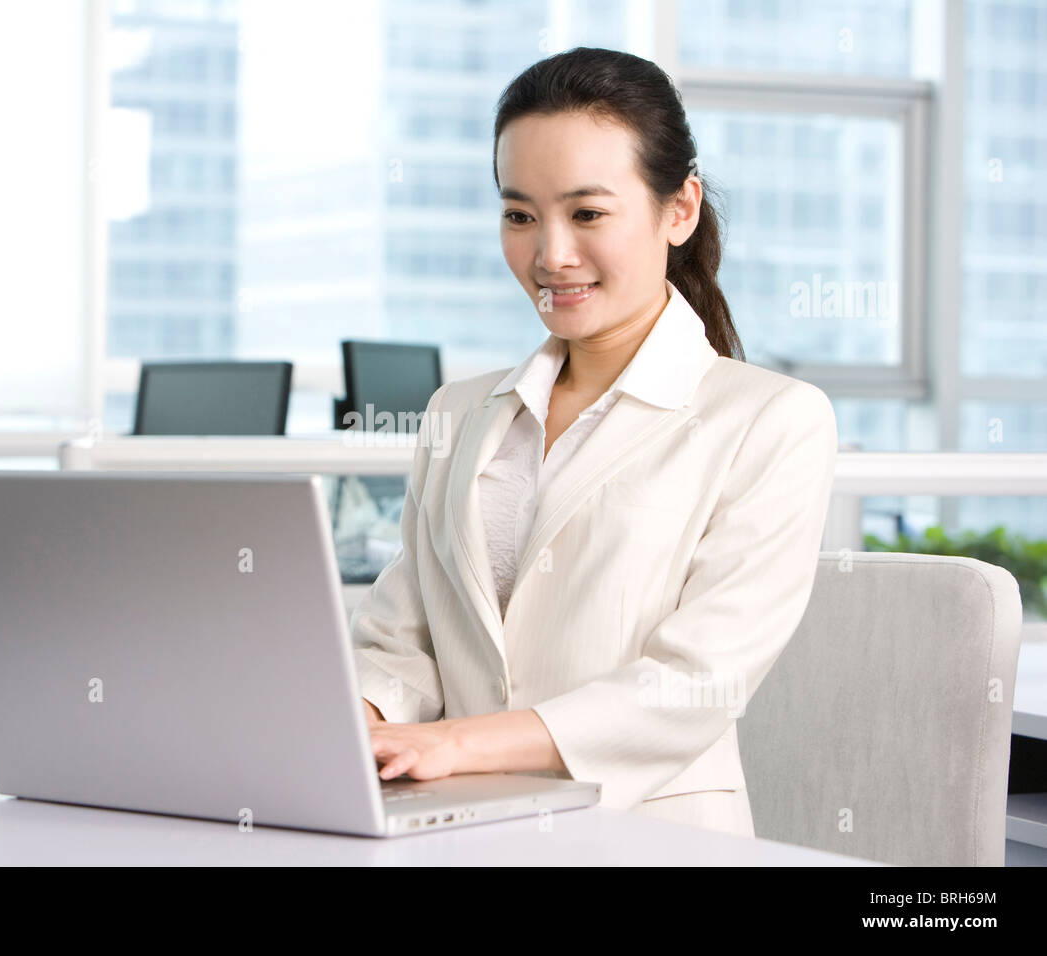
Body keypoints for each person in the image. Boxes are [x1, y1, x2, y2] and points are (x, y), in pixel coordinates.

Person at [352, 47, 839, 838]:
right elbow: (404, 640)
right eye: (520, 215)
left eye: (587, 213)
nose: (550, 255)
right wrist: (358, 715)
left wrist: (454, 744)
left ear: (678, 210)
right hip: (450, 831)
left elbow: (695, 683)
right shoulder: (462, 413)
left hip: (650, 837)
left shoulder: (771, 421)